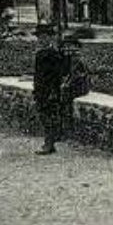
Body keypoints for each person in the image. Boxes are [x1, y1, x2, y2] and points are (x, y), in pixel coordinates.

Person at [32, 23, 67, 155]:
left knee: (49, 116)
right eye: (39, 37)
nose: (41, 39)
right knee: (43, 115)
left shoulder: (53, 54)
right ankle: (49, 142)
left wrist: (53, 91)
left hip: (50, 89)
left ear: (50, 38)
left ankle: (49, 143)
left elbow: (58, 74)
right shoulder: (40, 53)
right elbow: (38, 73)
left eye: (44, 37)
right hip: (41, 88)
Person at [58, 33, 89, 141]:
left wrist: (66, 84)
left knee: (64, 99)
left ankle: (65, 130)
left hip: (80, 86)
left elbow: (75, 75)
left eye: (70, 46)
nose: (67, 48)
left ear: (75, 47)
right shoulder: (69, 58)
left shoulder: (77, 58)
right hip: (74, 85)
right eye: (66, 46)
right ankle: (63, 128)